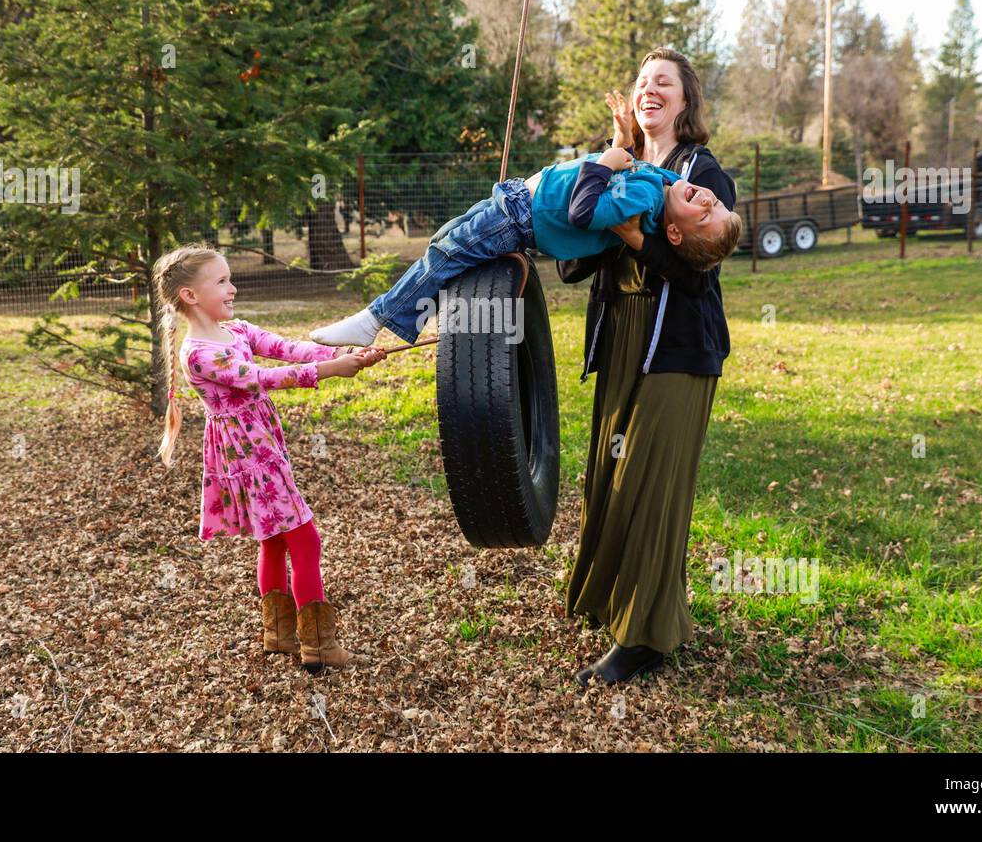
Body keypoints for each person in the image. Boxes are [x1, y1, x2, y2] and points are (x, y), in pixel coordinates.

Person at [561, 47, 738, 687]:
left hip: (679, 345)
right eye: (642, 82)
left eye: (663, 82)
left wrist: (636, 237)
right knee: (608, 474)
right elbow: (571, 260)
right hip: (621, 334)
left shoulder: (703, 172)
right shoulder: (619, 164)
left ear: (685, 101)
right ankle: (611, 600)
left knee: (648, 480)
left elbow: (698, 276)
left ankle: (646, 637)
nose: (649, 90)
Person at [151, 243, 386, 674]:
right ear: (189, 295)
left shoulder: (236, 330)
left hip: (258, 442)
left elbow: (286, 349)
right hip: (248, 453)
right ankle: (319, 645)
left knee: (274, 538)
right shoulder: (199, 353)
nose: (233, 288)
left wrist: (340, 355)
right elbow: (258, 378)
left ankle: (279, 636)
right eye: (222, 281)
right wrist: (330, 372)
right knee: (304, 538)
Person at [307, 145, 741, 347]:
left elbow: (583, 213)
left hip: (519, 219)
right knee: (444, 243)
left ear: (675, 235)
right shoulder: (665, 183)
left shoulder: (645, 201)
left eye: (705, 214)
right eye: (715, 201)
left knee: (445, 254)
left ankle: (376, 320)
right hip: (516, 197)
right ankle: (411, 310)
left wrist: (605, 161)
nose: (706, 198)